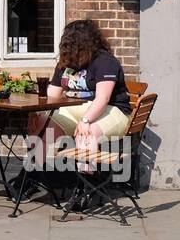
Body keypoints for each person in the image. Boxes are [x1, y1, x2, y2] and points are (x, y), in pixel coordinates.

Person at [31, 18, 133, 164]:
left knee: (87, 134)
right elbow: (53, 95)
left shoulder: (105, 61)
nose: (66, 46)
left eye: (70, 42)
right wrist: (38, 113)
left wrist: (85, 120)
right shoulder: (66, 62)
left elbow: (102, 98)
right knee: (42, 124)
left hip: (110, 110)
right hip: (74, 109)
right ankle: (40, 174)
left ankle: (87, 182)